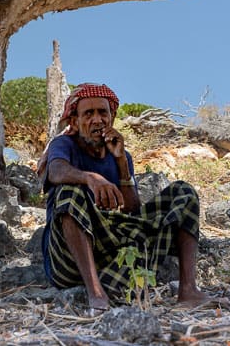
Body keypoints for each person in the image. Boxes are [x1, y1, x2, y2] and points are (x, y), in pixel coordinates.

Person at [40, 83, 210, 313]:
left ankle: (188, 289)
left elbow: (131, 210)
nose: (97, 120)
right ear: (75, 122)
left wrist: (121, 163)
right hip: (69, 263)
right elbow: (56, 171)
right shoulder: (64, 144)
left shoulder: (121, 154)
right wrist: (91, 178)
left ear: (111, 118)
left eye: (103, 113)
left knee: (184, 192)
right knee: (69, 192)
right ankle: (95, 293)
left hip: (115, 257)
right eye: (88, 114)